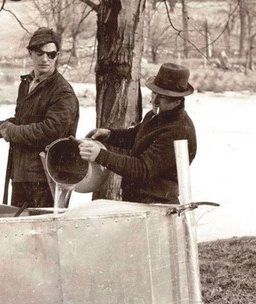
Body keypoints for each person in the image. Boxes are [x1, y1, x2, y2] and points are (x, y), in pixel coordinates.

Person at [0, 27, 79, 208]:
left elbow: (50, 130)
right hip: (22, 175)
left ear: (57, 55)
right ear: (30, 53)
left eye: (51, 54)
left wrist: (11, 131)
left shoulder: (63, 92)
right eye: (39, 53)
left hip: (47, 177)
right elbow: (22, 120)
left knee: (42, 234)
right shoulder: (26, 84)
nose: (45, 59)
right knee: (17, 231)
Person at [78, 62, 196, 204]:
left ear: (177, 101)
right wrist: (110, 134)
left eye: (163, 97)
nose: (155, 100)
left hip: (157, 205)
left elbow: (142, 169)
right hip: (136, 199)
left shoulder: (178, 130)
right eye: (154, 93)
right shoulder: (157, 115)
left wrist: (100, 155)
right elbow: (137, 135)